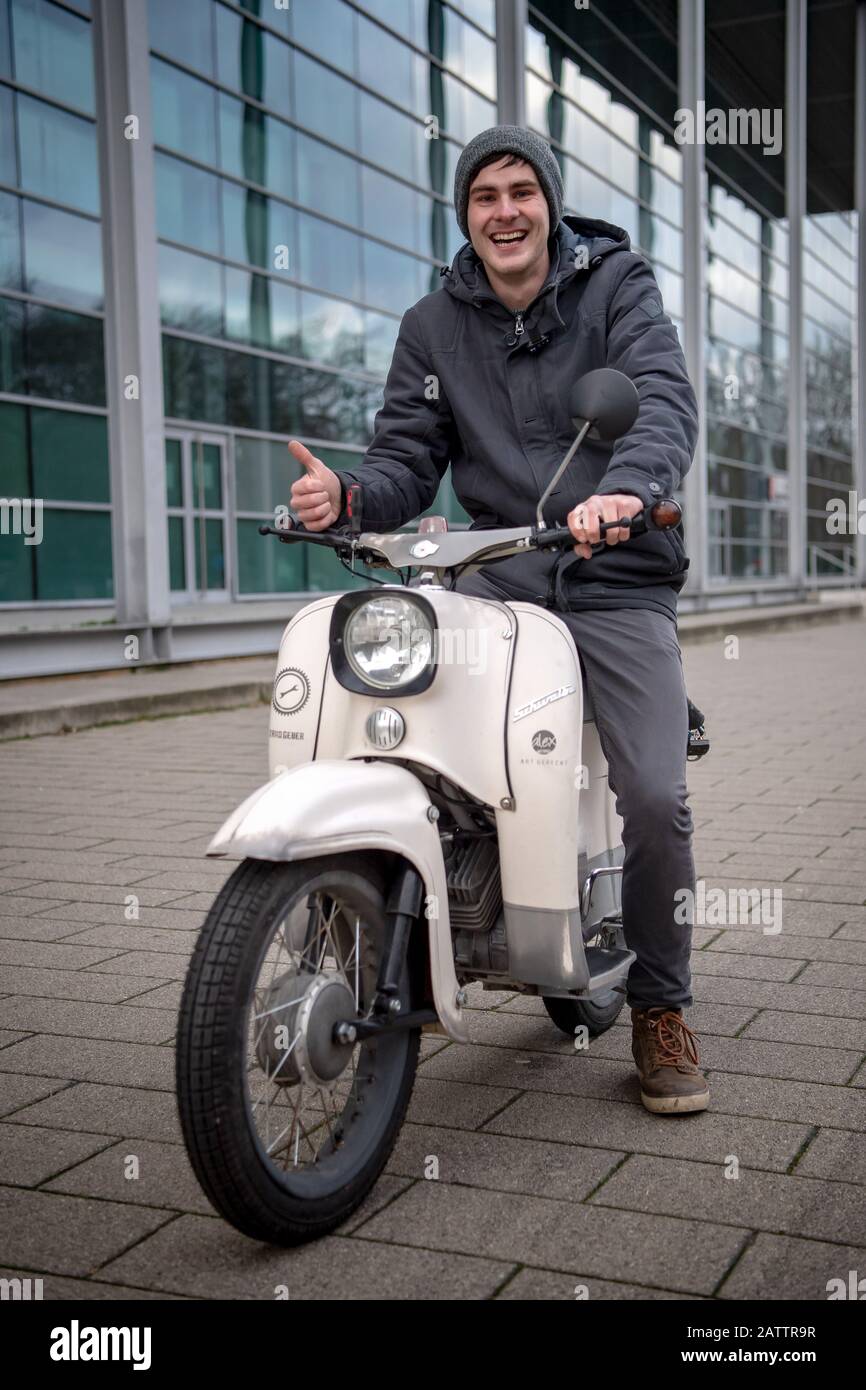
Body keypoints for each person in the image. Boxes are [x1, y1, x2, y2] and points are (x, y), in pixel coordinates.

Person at [288, 125, 708, 1115]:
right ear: (465, 216)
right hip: (499, 574)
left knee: (652, 793)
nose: (505, 210)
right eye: (484, 196)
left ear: (548, 204)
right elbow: (405, 457)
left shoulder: (616, 286)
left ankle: (658, 1005)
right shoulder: (432, 323)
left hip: (613, 574)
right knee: (389, 729)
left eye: (521, 190)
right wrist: (347, 499)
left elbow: (660, 399)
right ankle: (402, 929)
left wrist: (626, 490)